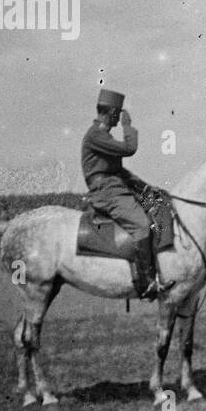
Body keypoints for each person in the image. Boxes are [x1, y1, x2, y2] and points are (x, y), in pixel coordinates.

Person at [81, 88, 174, 301]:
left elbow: (119, 171)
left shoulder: (103, 136)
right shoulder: (95, 135)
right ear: (112, 113)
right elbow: (129, 148)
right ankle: (146, 282)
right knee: (142, 225)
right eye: (118, 113)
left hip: (115, 187)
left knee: (157, 207)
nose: (120, 116)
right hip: (106, 192)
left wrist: (145, 187)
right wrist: (128, 126)